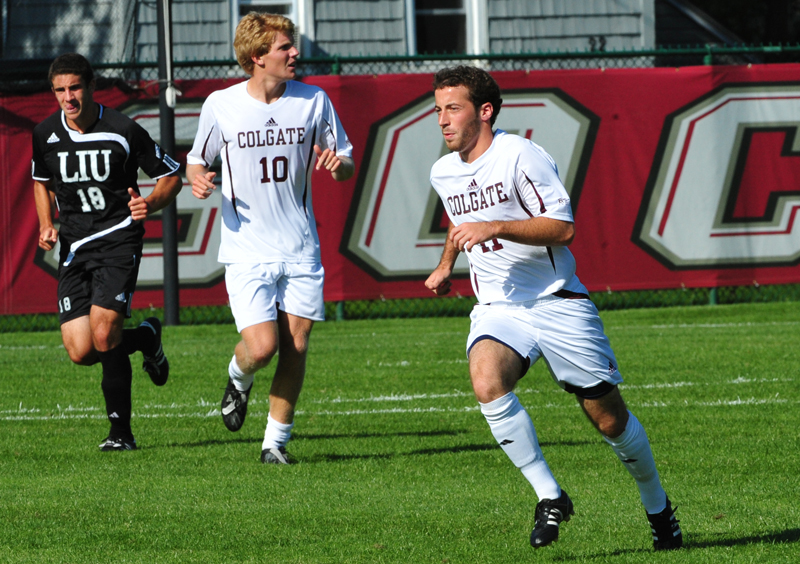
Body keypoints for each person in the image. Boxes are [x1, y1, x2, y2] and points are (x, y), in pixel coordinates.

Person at [424, 66, 682, 551]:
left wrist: (496, 226)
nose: (442, 119)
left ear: (484, 111)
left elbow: (562, 228)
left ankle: (658, 506)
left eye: (452, 107)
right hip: (500, 306)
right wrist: (445, 264)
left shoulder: (520, 155)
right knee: (486, 381)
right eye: (437, 109)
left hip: (556, 302)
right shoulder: (443, 170)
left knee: (609, 420)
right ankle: (550, 495)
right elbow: (462, 223)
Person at [186, 13, 354, 464]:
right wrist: (199, 179)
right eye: (284, 47)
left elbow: (347, 159)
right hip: (246, 248)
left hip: (300, 246)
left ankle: (274, 443)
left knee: (296, 345)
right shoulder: (221, 105)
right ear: (257, 57)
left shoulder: (314, 101)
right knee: (262, 347)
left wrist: (341, 165)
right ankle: (238, 378)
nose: (294, 53)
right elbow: (196, 161)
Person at [32, 53, 183, 451]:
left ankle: (121, 434)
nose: (68, 97)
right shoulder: (45, 133)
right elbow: (41, 182)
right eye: (60, 90)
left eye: (75, 87)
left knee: (103, 331)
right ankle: (146, 339)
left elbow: (171, 176)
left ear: (91, 86)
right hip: (74, 247)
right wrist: (46, 223)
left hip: (118, 240)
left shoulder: (121, 129)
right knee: (82, 350)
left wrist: (149, 204)